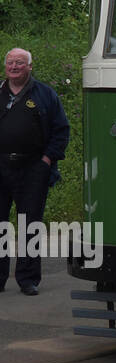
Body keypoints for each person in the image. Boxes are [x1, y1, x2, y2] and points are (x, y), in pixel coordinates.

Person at [0, 48, 70, 295]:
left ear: (30, 66)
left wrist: (47, 160)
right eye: (10, 62)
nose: (14, 66)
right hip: (1, 166)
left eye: (20, 62)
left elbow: (61, 130)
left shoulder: (45, 95)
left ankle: (28, 279)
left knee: (29, 225)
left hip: (32, 169)